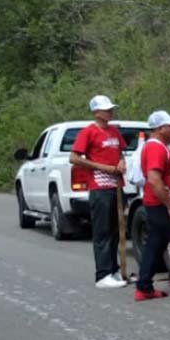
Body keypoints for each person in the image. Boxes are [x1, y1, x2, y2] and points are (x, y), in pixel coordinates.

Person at [70, 94, 129, 289]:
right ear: (96, 113)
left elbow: (121, 151)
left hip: (116, 185)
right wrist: (101, 167)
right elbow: (74, 157)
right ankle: (102, 274)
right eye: (106, 109)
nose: (110, 112)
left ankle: (113, 269)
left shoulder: (113, 131)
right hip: (100, 185)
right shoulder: (88, 132)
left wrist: (121, 162)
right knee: (102, 230)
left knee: (115, 230)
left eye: (110, 109)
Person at [135, 110, 170, 301]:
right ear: (160, 128)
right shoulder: (155, 148)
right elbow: (154, 180)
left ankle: (144, 286)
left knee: (155, 244)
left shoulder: (160, 146)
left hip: (157, 204)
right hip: (161, 204)